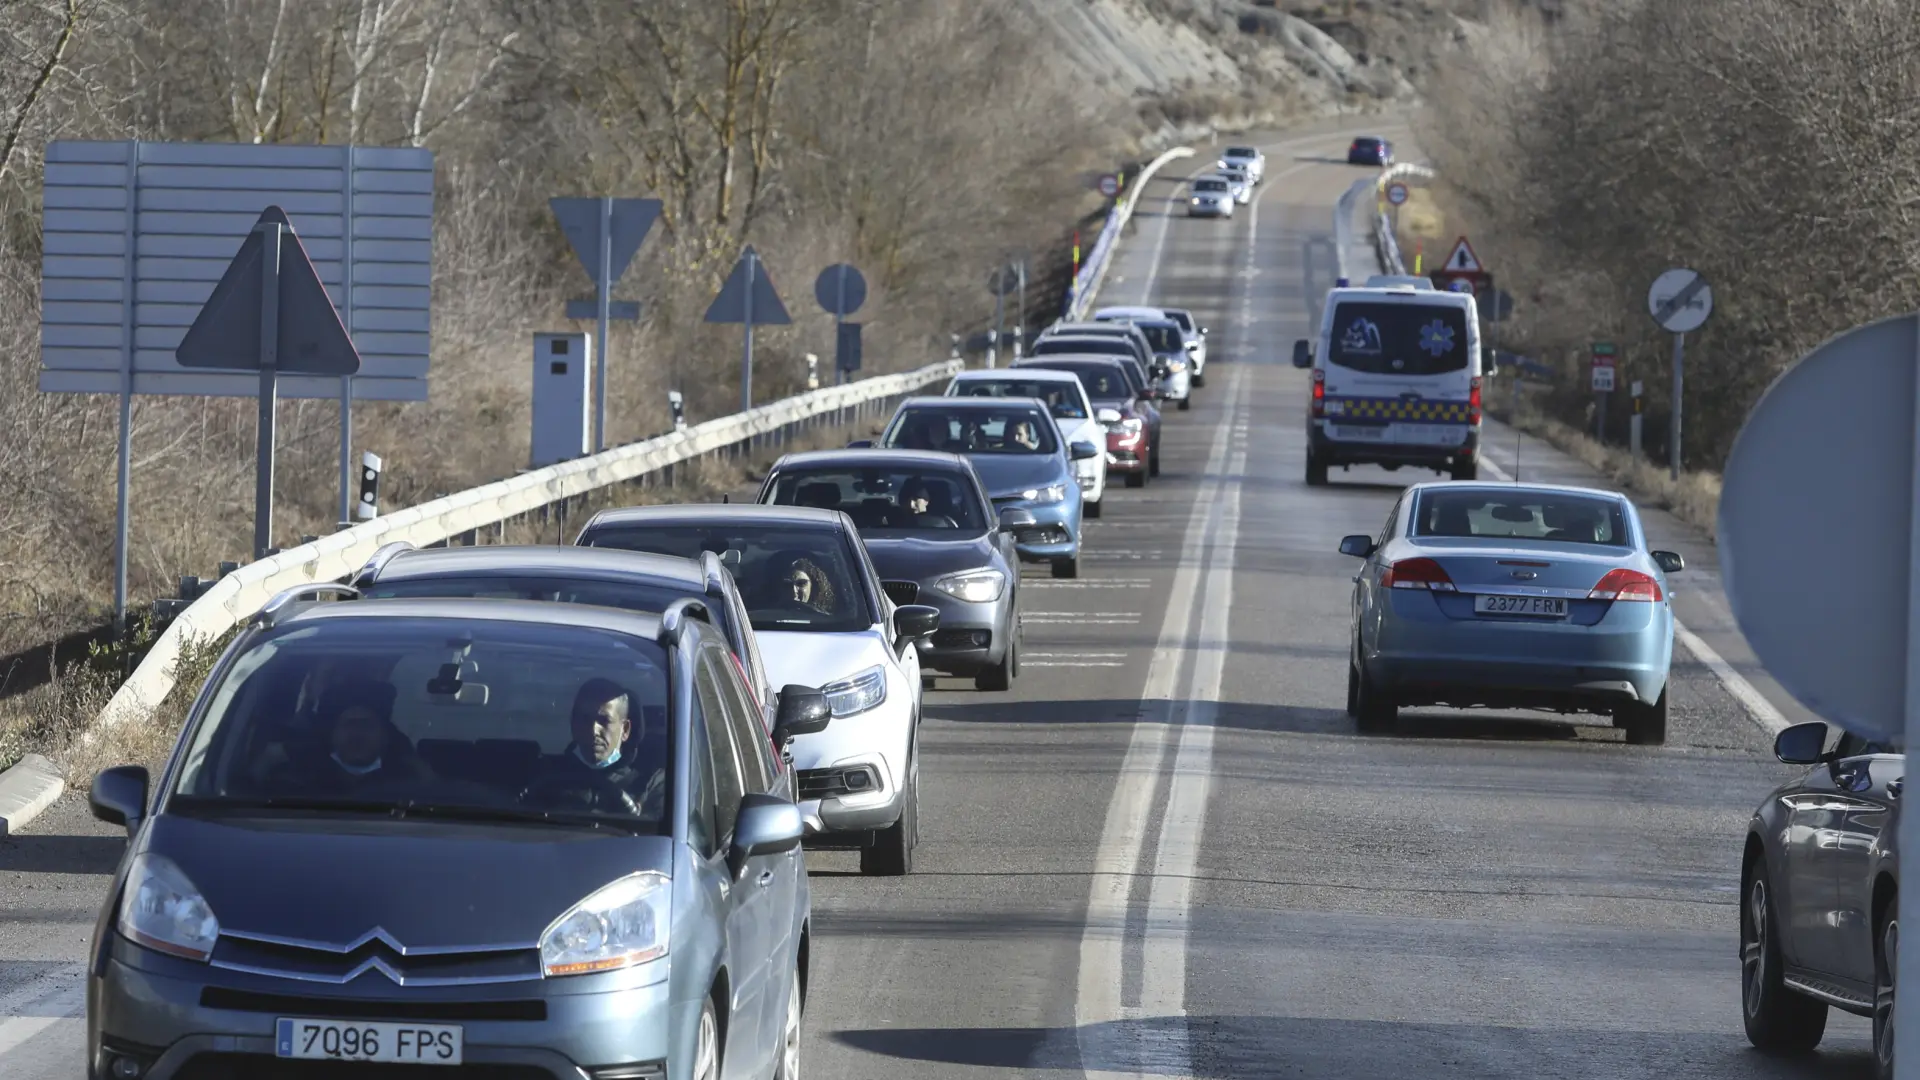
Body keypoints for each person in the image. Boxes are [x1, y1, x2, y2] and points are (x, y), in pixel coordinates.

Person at [521, 678, 664, 818]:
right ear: (573, 724)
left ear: (625, 730)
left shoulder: (649, 784)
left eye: (604, 720)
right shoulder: (543, 776)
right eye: (584, 719)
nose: (593, 730)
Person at [274, 680, 429, 796]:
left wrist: (420, 770)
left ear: (385, 735)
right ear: (332, 734)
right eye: (350, 725)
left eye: (366, 725)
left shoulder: (407, 784)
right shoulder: (298, 779)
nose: (358, 734)